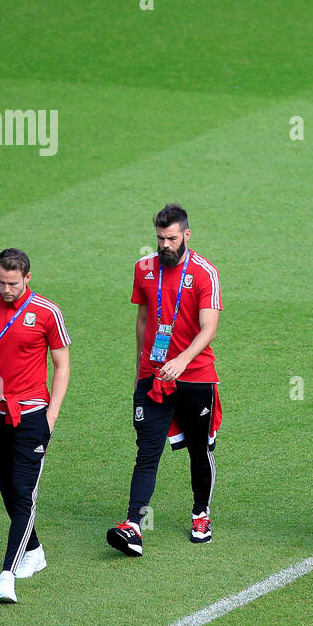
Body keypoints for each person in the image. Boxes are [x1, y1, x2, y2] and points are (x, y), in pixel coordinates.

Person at [107, 204, 223, 557]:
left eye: (171, 238)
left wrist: (181, 360)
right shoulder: (144, 270)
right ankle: (133, 525)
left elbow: (209, 327)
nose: (165, 245)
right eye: (160, 239)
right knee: (147, 451)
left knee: (198, 449)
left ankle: (201, 514)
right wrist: (141, 371)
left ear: (187, 234)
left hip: (196, 376)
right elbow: (143, 321)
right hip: (154, 376)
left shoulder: (205, 273)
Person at [0, 248, 70, 603]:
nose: (6, 289)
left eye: (12, 283)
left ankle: (7, 574)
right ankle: (35, 551)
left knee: (23, 494)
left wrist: (51, 415)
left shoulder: (47, 312)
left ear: (27, 278)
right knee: (10, 493)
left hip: (31, 417)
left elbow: (61, 365)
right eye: (1, 281)